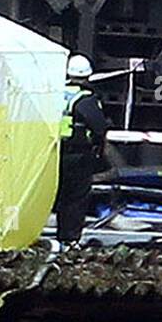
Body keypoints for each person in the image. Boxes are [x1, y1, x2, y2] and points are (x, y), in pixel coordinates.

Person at [55, 54, 110, 245]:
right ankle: (69, 238)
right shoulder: (86, 99)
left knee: (59, 195)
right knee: (76, 197)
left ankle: (58, 235)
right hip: (78, 154)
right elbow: (99, 127)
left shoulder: (56, 93)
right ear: (88, 75)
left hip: (55, 152)